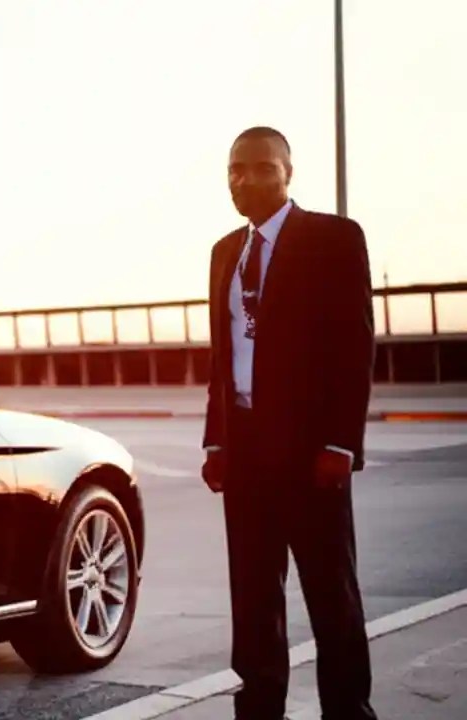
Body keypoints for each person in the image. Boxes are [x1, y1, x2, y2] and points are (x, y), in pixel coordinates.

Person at [201, 126, 378, 719]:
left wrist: (339, 443)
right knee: (252, 598)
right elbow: (221, 358)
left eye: (257, 167)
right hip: (246, 452)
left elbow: (354, 347)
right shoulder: (225, 251)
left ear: (287, 172)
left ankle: (349, 711)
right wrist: (217, 440)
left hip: (311, 453)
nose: (242, 179)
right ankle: (258, 708)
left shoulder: (332, 239)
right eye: (233, 169)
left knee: (331, 595)